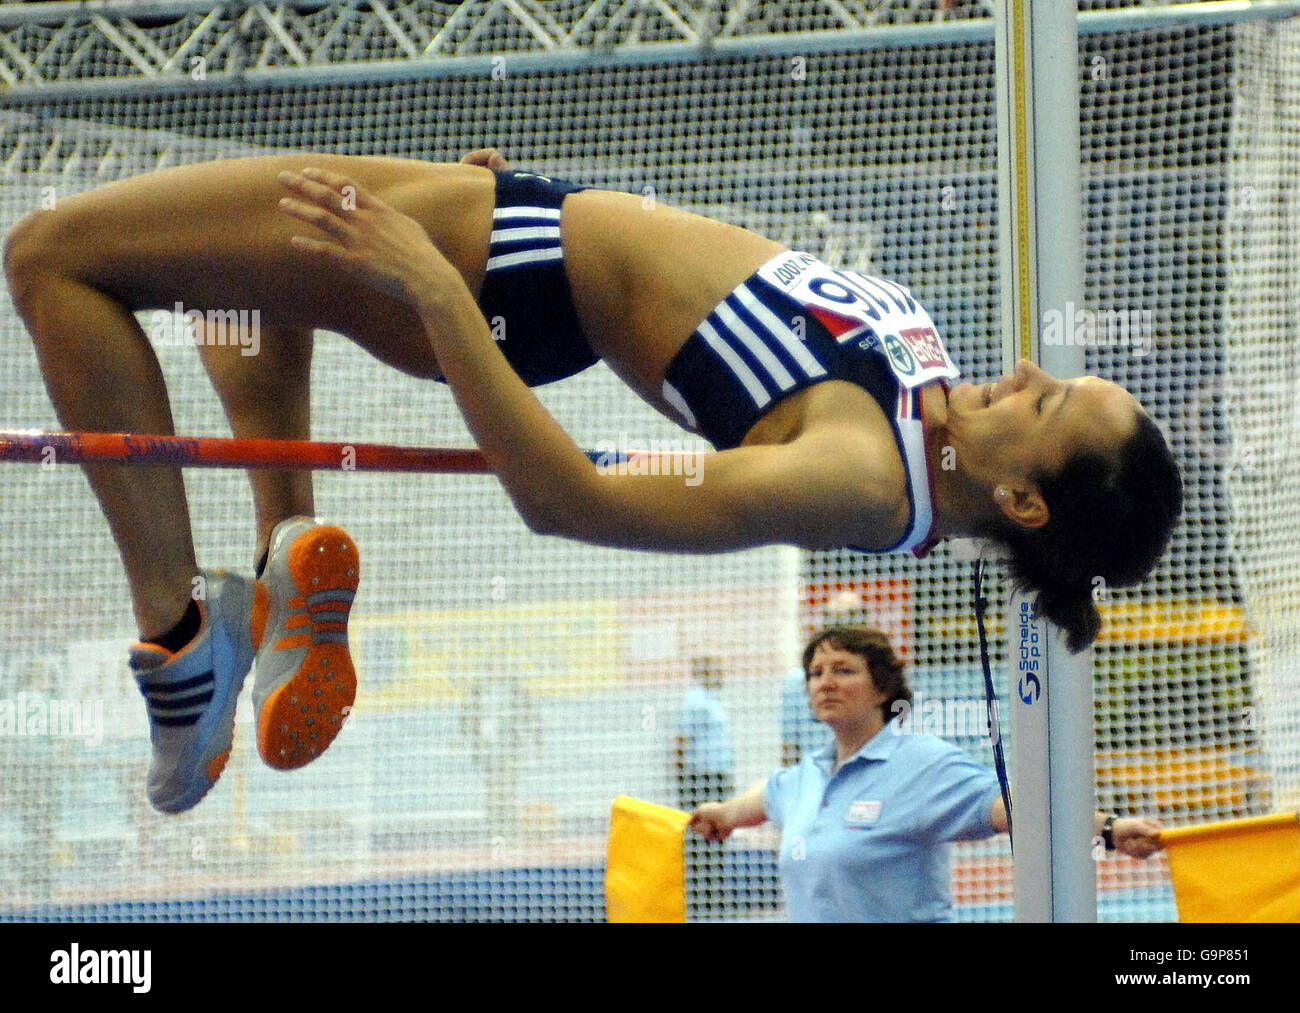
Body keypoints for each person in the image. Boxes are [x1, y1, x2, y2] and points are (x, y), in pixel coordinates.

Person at [3, 149, 1182, 812]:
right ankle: (282, 567)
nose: (1025, 371)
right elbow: (699, 279)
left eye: (1046, 403)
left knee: (54, 256)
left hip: (500, 269)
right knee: (234, 289)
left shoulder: (866, 478)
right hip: (521, 220)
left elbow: (568, 500)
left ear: (1025, 501)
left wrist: (436, 286)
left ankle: (178, 632)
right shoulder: (931, 423)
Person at [689, 626, 1165, 922]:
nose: (825, 682)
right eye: (815, 673)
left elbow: (1018, 808)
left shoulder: (923, 766)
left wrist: (1109, 828)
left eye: (843, 670)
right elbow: (758, 800)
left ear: (882, 689)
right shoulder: (802, 778)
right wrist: (721, 814)